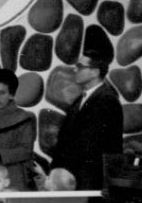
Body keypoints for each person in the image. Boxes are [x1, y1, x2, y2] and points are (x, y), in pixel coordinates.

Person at [40, 40, 124, 191]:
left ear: (95, 72)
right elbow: (65, 139)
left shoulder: (107, 100)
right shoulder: (80, 99)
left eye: (80, 66)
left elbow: (92, 144)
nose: (74, 70)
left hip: (90, 179)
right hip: (75, 176)